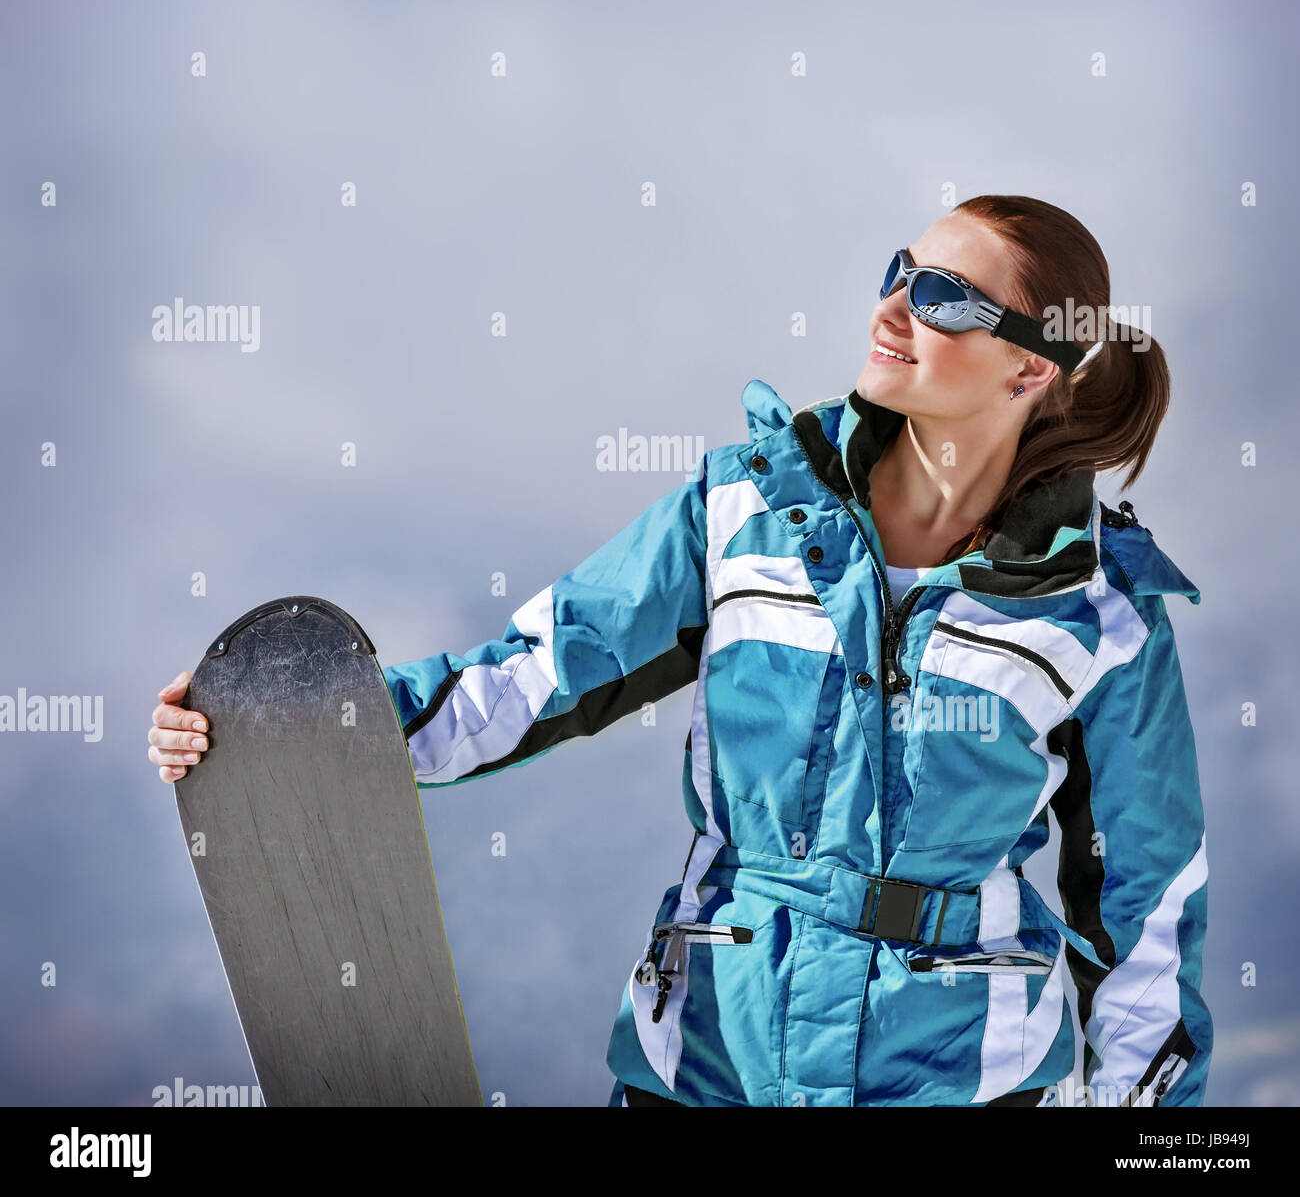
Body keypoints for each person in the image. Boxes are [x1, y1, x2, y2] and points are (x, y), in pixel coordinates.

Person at [148, 194, 1212, 1108]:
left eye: (940, 297)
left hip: (960, 1078)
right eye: (899, 271)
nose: (891, 308)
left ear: (1028, 365)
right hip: (709, 1059)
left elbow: (1146, 914)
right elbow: (534, 672)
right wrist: (293, 722)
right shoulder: (746, 513)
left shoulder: (1098, 609)